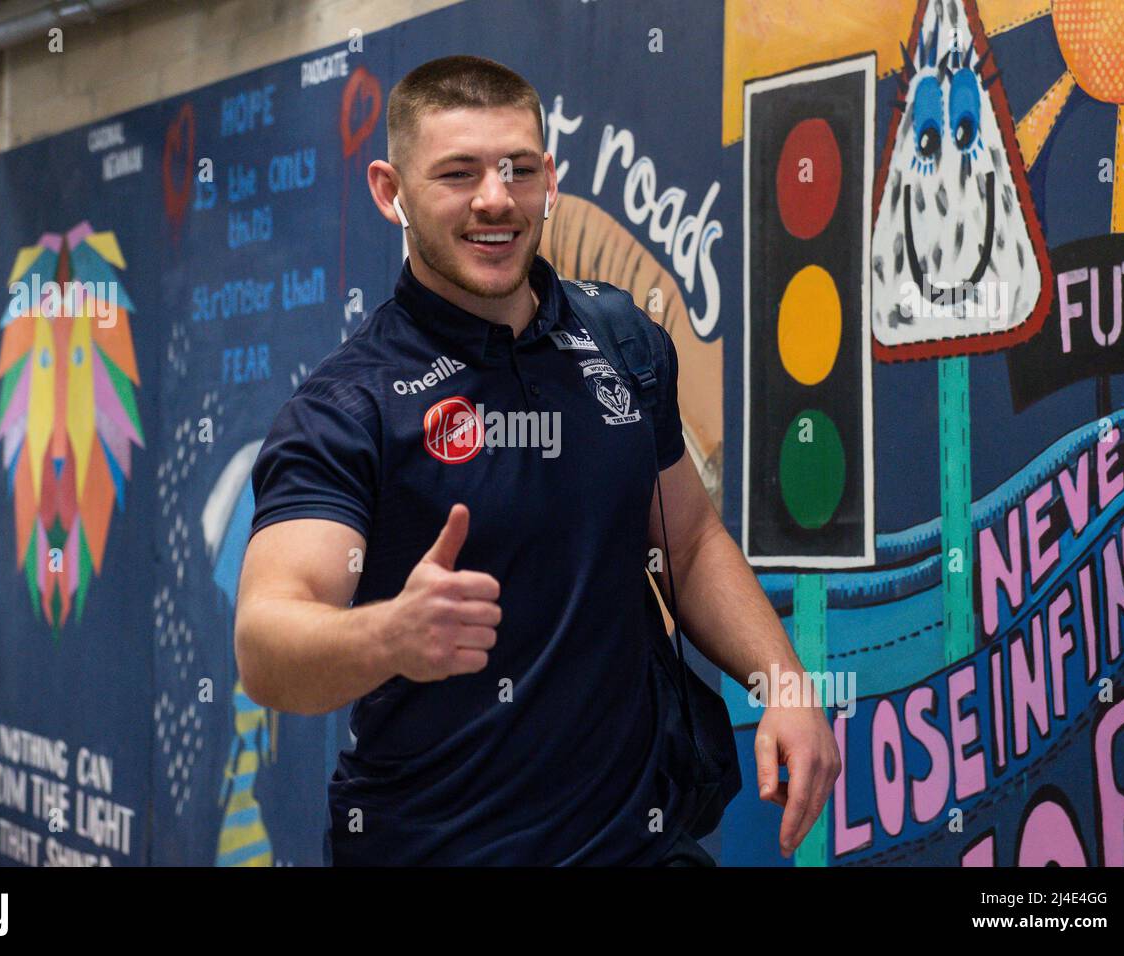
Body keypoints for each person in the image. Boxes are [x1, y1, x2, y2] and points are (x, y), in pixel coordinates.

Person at [234, 54, 840, 866]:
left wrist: (785, 684)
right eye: (458, 173)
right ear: (390, 192)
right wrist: (390, 635)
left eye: (518, 169)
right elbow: (266, 641)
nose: (495, 198)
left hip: (636, 845)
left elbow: (690, 544)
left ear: (548, 179)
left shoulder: (621, 341)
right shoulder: (349, 407)